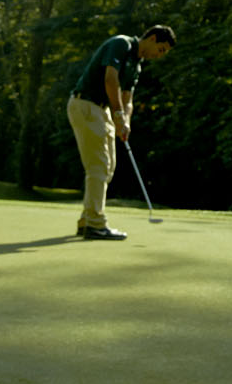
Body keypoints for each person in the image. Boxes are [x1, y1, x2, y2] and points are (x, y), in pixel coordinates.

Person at [66, 25, 175, 240]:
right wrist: (117, 113)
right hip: (86, 104)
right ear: (152, 38)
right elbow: (110, 79)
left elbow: (128, 98)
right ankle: (96, 224)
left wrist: (125, 121)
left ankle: (87, 220)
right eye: (161, 49)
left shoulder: (136, 65)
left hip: (102, 109)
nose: (159, 55)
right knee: (98, 165)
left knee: (108, 168)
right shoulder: (121, 44)